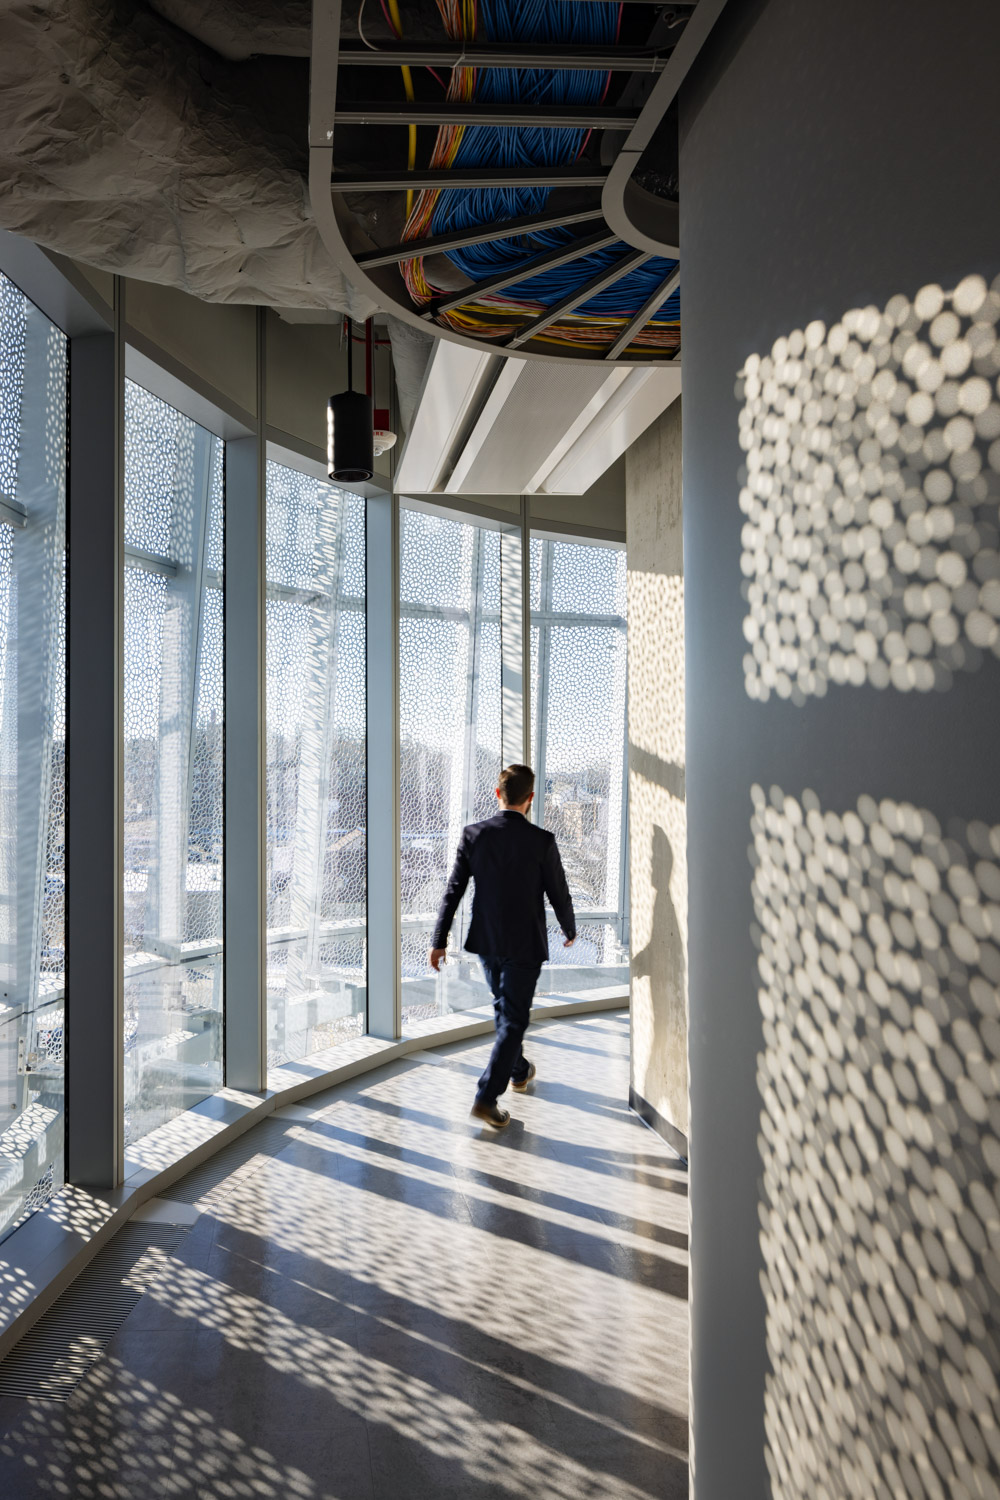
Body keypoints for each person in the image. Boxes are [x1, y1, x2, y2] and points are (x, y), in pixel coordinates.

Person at [429, 763, 576, 1128]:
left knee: (505, 1012)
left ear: (498, 795)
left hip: (488, 941)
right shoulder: (542, 841)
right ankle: (486, 1097)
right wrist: (568, 927)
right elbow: (559, 891)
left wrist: (439, 940)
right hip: (526, 943)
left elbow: (454, 891)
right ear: (530, 799)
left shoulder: (474, 835)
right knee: (513, 1018)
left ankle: (519, 1068)